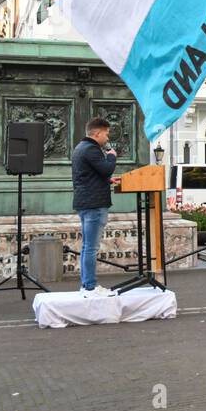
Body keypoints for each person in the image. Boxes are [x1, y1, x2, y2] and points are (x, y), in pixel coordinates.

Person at [71, 116, 118, 298]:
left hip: (85, 202)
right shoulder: (91, 149)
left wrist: (108, 180)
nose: (107, 138)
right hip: (94, 204)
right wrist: (112, 156)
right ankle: (90, 286)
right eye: (106, 134)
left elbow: (88, 175)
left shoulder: (80, 148)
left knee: (87, 247)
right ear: (97, 133)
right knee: (91, 248)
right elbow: (106, 169)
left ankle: (86, 285)